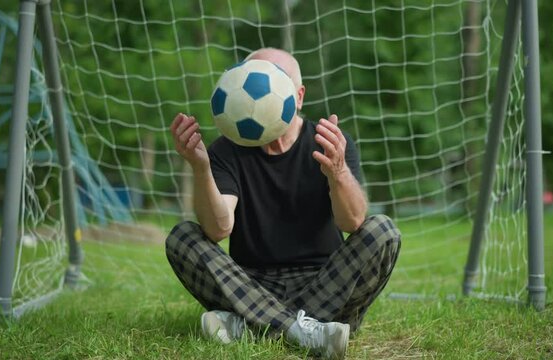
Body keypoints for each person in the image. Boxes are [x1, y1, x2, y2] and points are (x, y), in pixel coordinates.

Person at [165, 48, 401, 359]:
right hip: (250, 284)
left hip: (326, 282)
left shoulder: (329, 141)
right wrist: (200, 167)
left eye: (274, 79)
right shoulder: (225, 150)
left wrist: (338, 172)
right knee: (183, 238)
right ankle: (306, 331)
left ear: (298, 96)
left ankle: (251, 326)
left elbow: (353, 222)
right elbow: (219, 228)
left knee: (382, 230)